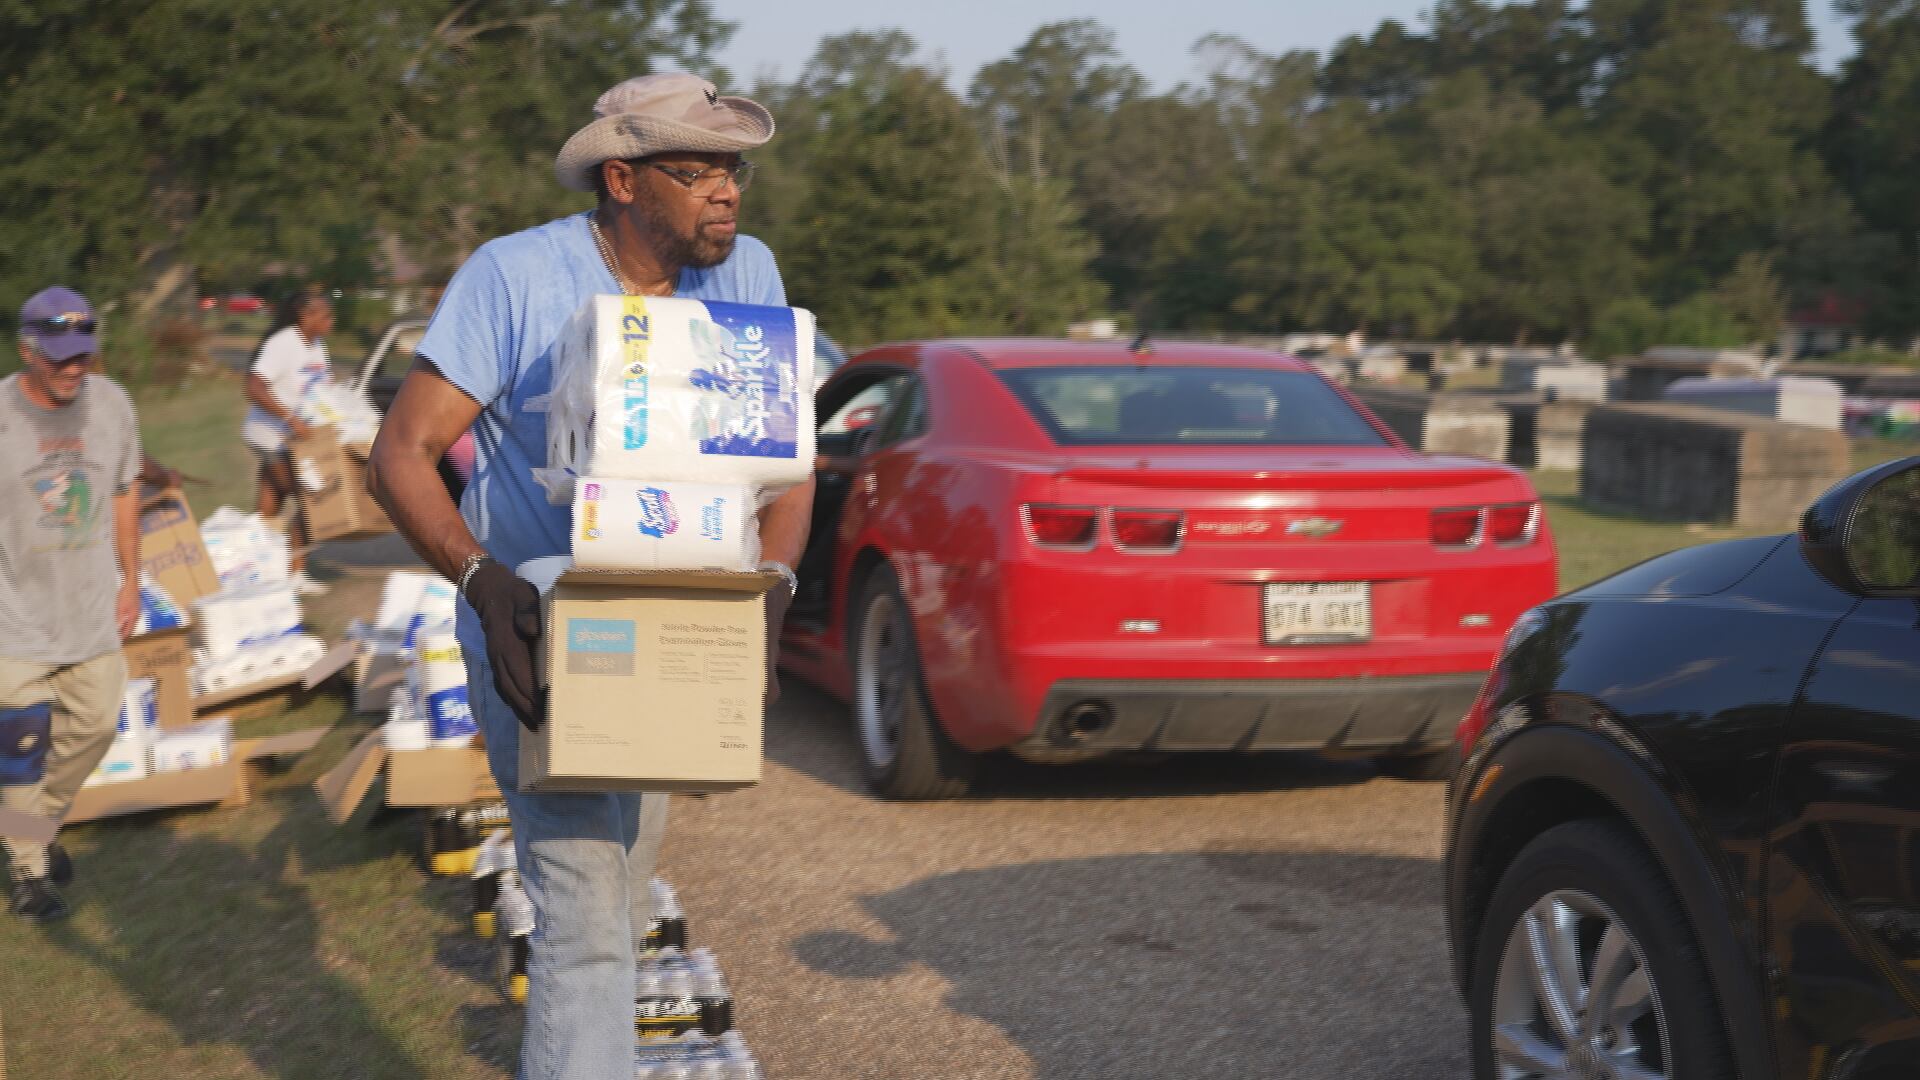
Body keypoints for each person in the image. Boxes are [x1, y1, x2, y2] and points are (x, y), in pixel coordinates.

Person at [367, 72, 813, 1079]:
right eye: (695, 172)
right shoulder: (514, 278)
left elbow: (790, 464)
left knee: (622, 882)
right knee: (585, 920)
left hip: (672, 635)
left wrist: (774, 589)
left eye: (733, 171)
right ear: (622, 178)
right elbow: (401, 450)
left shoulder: (747, 278)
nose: (727, 194)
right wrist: (483, 581)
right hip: (542, 638)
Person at [0, 286, 142, 921]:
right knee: (20, 744)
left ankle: (31, 827)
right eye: (60, 357)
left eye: (84, 354)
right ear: (27, 349)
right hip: (13, 618)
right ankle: (28, 869)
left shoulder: (111, 404)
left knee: (96, 728)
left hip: (89, 612)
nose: (74, 368)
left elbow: (124, 487)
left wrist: (132, 576)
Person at [241, 285, 335, 594]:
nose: (331, 320)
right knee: (310, 498)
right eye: (325, 315)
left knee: (270, 501)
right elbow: (253, 387)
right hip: (271, 436)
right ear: (305, 316)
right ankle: (294, 575)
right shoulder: (282, 344)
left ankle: (253, 567)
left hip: (292, 440)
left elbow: (321, 388)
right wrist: (290, 418)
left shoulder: (317, 345)